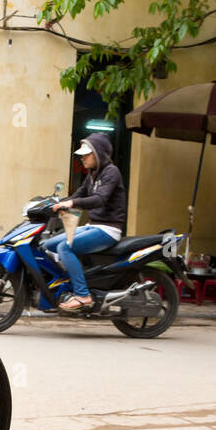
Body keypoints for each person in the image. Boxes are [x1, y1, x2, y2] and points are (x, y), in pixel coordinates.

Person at [47, 132, 126, 312]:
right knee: (48, 244)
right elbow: (78, 195)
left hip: (108, 229)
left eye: (86, 154)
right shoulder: (92, 174)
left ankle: (83, 295)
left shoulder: (111, 172)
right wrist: (56, 204)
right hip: (93, 226)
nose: (82, 158)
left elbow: (100, 199)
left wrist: (72, 203)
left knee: (64, 248)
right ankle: (71, 281)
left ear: (98, 153)